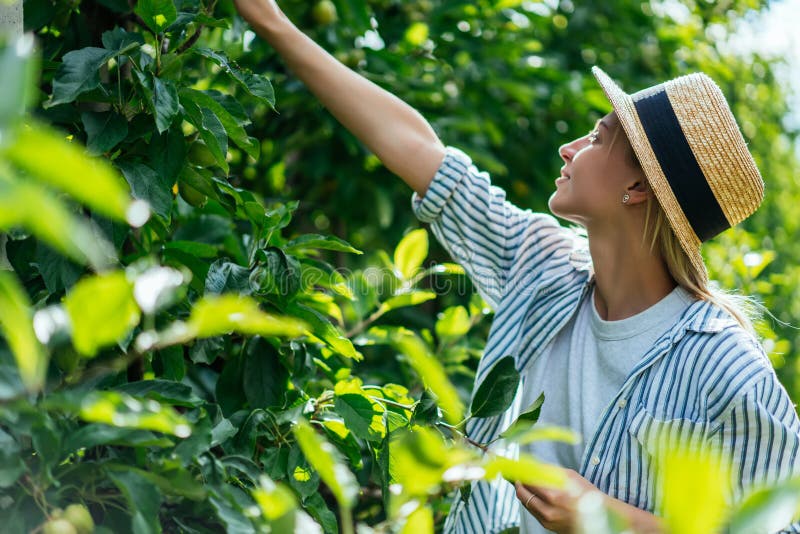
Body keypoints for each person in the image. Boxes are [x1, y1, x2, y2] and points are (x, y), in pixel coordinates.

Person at [232, 2, 800, 532]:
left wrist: (605, 519)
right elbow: (420, 150)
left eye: (598, 137)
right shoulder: (544, 270)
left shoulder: (725, 366)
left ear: (636, 188)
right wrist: (272, 22)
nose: (570, 149)